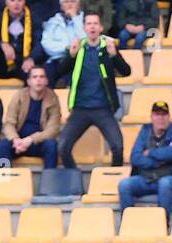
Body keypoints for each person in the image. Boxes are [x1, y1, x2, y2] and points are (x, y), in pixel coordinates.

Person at [56, 12, 130, 169]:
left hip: (103, 109)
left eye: (95, 23)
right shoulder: (77, 47)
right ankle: (76, 182)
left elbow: (126, 72)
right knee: (62, 147)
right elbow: (59, 73)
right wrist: (70, 55)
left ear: (101, 27)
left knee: (118, 147)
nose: (92, 27)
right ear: (84, 28)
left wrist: (114, 55)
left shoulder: (108, 46)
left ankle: (111, 182)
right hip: (80, 109)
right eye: (89, 24)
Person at [118, 99, 172, 224]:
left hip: (169, 177)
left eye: (164, 114)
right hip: (145, 179)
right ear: (152, 117)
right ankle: (128, 223)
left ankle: (163, 223)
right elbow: (135, 157)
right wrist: (157, 162)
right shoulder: (145, 131)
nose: (161, 118)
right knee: (124, 185)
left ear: (169, 117)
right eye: (157, 114)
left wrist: (151, 152)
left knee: (165, 184)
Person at [0, 63, 60, 168]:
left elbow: (53, 129)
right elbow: (9, 124)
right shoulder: (19, 96)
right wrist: (15, 140)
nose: (38, 80)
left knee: (51, 145)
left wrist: (30, 140)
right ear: (29, 82)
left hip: (38, 142)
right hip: (17, 142)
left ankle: (49, 182)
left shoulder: (52, 98)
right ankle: (4, 179)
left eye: (42, 77)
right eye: (35, 77)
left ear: (46, 81)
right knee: (2, 145)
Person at [0, 0, 42, 82]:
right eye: (12, 0)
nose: (16, 4)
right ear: (6, 2)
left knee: (35, 72)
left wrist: (31, 58)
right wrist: (2, 44)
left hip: (24, 63)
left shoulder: (34, 19)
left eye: (19, 0)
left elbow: (39, 43)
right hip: (3, 62)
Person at [38, 0, 82, 85]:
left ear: (78, 4)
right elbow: (46, 44)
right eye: (66, 2)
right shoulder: (53, 21)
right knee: (45, 74)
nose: (69, 5)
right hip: (57, 59)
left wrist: (75, 18)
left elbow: (86, 39)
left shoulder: (85, 20)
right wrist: (66, 48)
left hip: (78, 60)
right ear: (61, 6)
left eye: (72, 2)